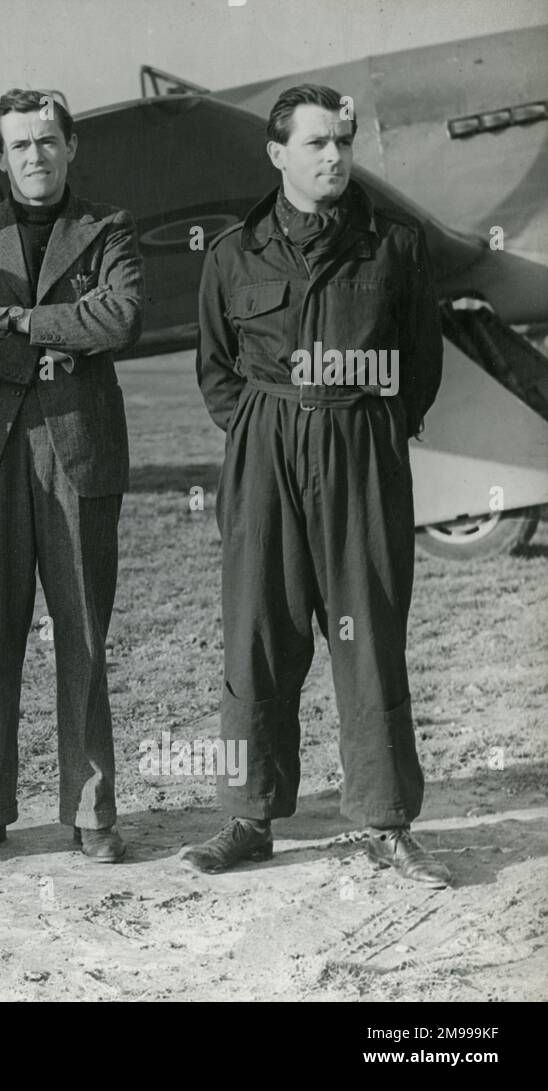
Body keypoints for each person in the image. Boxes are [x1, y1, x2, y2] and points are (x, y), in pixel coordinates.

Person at [189, 85, 448, 886]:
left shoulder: (394, 244)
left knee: (366, 629)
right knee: (258, 629)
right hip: (265, 445)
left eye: (343, 141)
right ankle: (248, 815)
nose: (334, 156)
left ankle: (386, 820)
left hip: (361, 444)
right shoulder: (234, 251)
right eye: (316, 144)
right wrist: (268, 429)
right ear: (278, 155)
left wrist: (368, 428)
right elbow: (216, 369)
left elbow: (421, 362)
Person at [0, 89, 143, 864]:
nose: (35, 156)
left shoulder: (109, 227)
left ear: (71, 146)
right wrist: (60, 339)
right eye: (19, 145)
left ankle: (92, 811)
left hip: (80, 451)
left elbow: (120, 318)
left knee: (83, 632)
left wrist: (19, 320)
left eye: (48, 141)